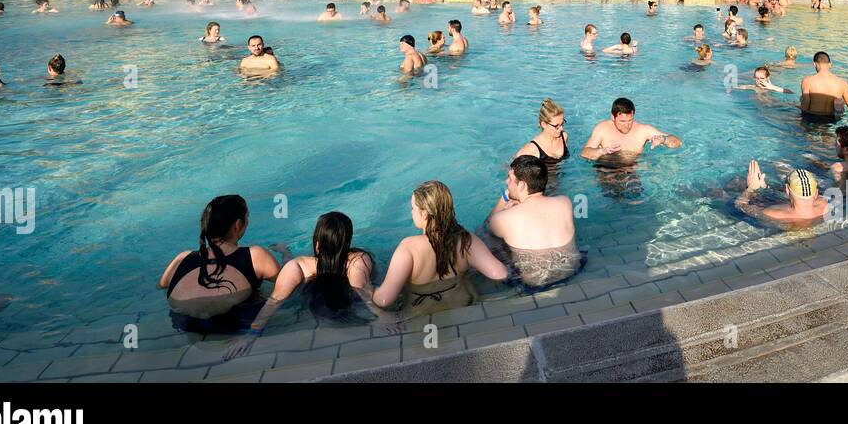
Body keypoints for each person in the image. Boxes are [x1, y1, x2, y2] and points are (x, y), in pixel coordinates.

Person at [224, 211, 375, 358]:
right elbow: (364, 292)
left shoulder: (299, 265)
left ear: (317, 245)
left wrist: (252, 333)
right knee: (290, 266)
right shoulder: (358, 260)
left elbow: (274, 301)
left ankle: (284, 251)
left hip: (304, 282)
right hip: (334, 297)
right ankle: (285, 251)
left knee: (289, 266)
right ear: (347, 243)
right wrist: (383, 317)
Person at [370, 181, 509, 313]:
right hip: (463, 305)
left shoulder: (408, 248)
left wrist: (366, 288)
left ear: (424, 213)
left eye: (413, 208)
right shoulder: (466, 240)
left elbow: (384, 300)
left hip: (422, 314)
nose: (412, 212)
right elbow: (500, 273)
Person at [158, 195, 281, 330]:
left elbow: (161, 286)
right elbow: (289, 281)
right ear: (238, 224)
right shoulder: (256, 255)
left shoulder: (181, 258)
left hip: (183, 323)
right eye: (247, 218)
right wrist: (285, 254)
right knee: (262, 294)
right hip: (233, 323)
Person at [485, 156, 582, 289]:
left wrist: (505, 197)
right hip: (572, 269)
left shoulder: (504, 218)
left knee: (489, 240)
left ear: (522, 185)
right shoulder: (565, 202)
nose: (506, 181)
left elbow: (487, 226)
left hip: (535, 282)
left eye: (510, 178)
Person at [580, 97, 681, 162]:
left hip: (632, 170)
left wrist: (663, 139)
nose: (627, 125)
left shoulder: (643, 130)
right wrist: (602, 151)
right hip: (607, 169)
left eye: (630, 120)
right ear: (612, 117)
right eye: (622, 121)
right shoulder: (602, 129)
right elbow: (584, 153)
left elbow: (677, 142)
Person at [735, 163, 828, 229]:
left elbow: (740, 206)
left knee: (737, 182)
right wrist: (765, 188)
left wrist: (750, 188)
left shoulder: (773, 214)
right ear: (816, 193)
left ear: (787, 190)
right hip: (786, 205)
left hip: (772, 215)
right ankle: (764, 187)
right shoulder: (823, 205)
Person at [800, 51, 848, 121]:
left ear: (814, 64)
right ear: (830, 64)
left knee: (801, 99)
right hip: (832, 120)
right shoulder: (843, 83)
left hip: (812, 118)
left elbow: (805, 108)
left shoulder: (807, 81)